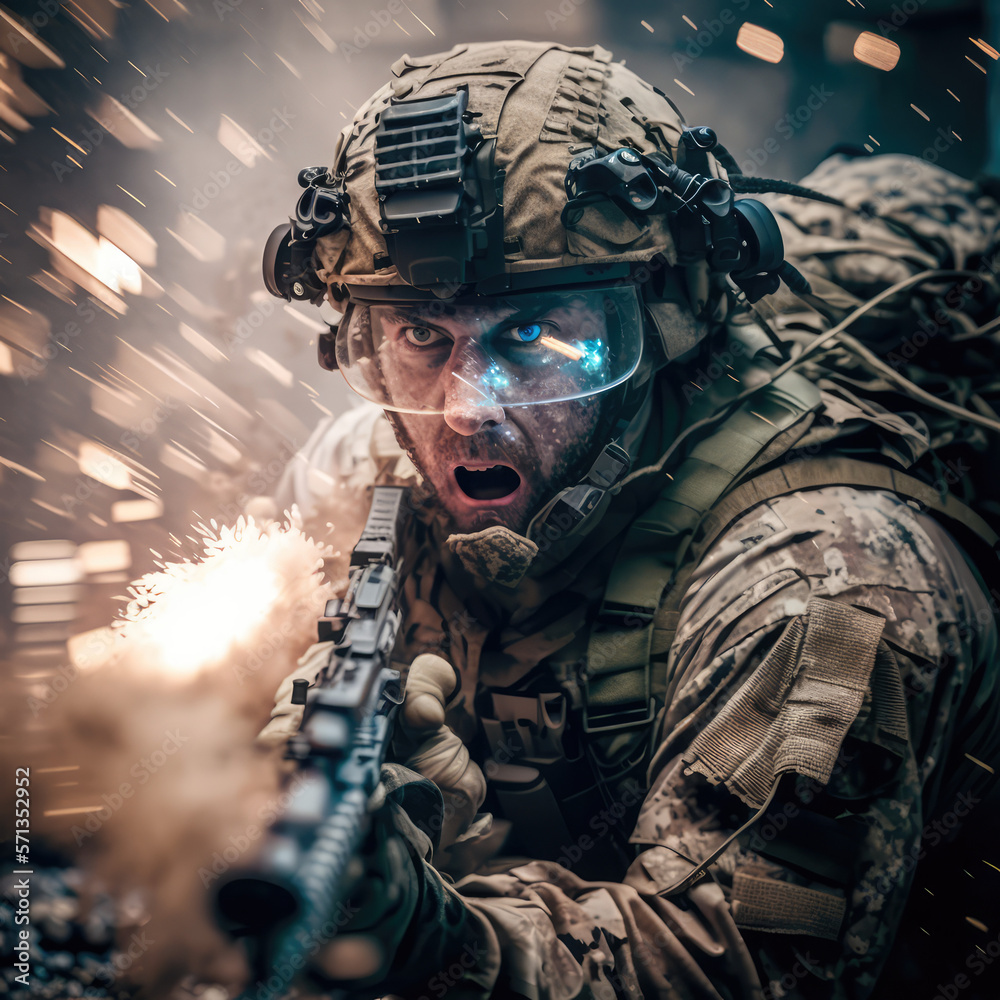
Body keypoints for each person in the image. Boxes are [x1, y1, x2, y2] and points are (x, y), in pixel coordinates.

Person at [256, 41, 1000, 1000]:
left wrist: (435, 933)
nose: (469, 407)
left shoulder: (825, 583)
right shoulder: (368, 472)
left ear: (667, 325)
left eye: (533, 334)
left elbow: (731, 973)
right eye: (420, 334)